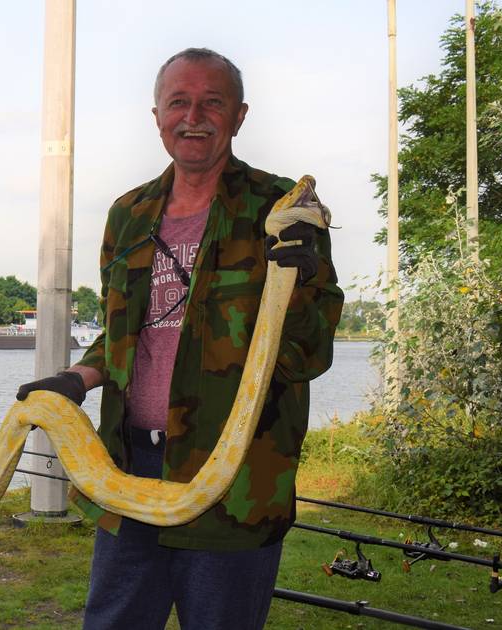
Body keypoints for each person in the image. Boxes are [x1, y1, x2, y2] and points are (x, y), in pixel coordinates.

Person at [17, 48, 344, 629]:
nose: (193, 116)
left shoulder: (285, 210)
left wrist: (301, 278)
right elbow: (119, 337)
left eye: (212, 102)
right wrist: (76, 377)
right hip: (129, 469)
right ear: (157, 115)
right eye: (179, 102)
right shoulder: (128, 213)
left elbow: (311, 353)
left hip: (234, 478)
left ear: (239, 116)